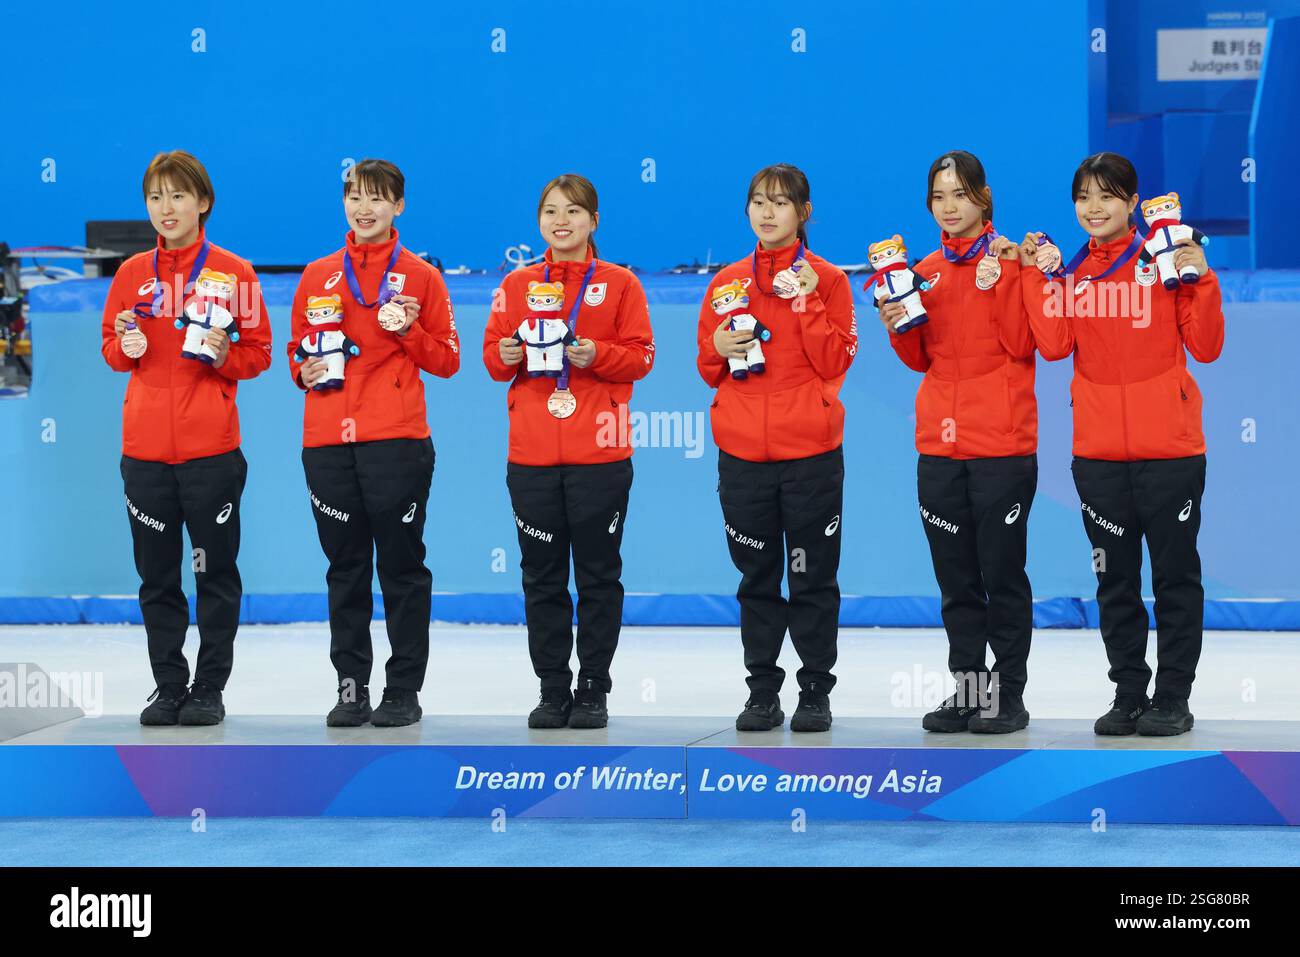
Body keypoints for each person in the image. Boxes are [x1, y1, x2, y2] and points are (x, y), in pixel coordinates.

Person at [1018, 151, 1224, 736]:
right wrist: (1037, 275)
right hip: (1100, 455)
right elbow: (1054, 345)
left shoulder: (1164, 260)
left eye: (1108, 196)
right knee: (1114, 579)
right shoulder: (1075, 272)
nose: (1094, 208)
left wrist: (1201, 276)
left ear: (1134, 203)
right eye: (1083, 197)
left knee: (1175, 578)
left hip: (1171, 450)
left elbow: (1206, 347)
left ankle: (1174, 698)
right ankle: (1129, 692)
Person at [101, 149, 272, 726]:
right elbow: (110, 348)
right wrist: (122, 347)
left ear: (203, 202)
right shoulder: (129, 275)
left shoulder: (236, 272)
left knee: (213, 574)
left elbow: (260, 353)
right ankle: (168, 683)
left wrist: (226, 358)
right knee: (156, 577)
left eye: (177, 195)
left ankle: (209, 687)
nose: (165, 208)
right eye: (155, 196)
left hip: (211, 455)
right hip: (144, 456)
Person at [289, 159, 460, 728]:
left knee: (402, 568)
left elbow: (448, 359)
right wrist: (303, 370)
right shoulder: (316, 275)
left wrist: (406, 330)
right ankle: (350, 685)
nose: (365, 209)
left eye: (378, 199)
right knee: (345, 568)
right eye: (355, 197)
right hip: (327, 443)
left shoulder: (423, 277)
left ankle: (403, 689)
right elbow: (297, 351)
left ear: (399, 206)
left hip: (397, 441)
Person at [482, 173, 655, 729]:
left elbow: (641, 358)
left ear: (593, 221)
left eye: (574, 212)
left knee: (599, 577)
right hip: (531, 455)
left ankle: (595, 688)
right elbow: (491, 360)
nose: (562, 221)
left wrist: (595, 354)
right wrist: (508, 351)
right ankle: (553, 687)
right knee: (542, 577)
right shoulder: (517, 285)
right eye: (551, 212)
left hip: (599, 456)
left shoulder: (621, 283)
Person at [879, 150, 1037, 734]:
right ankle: (970, 690)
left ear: (985, 197)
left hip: (1001, 444)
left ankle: (1009, 695)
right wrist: (896, 324)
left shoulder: (1013, 261)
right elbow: (920, 358)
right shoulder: (922, 273)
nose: (950, 207)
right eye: (939, 197)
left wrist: (1008, 276)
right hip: (939, 450)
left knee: (1003, 576)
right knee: (957, 582)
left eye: (961, 194)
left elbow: (1024, 345)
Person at [695, 163, 856, 733]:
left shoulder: (831, 280)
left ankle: (815, 691)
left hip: (809, 453)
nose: (767, 212)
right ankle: (762, 690)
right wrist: (716, 345)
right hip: (742, 456)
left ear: (804, 213)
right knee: (757, 577)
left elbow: (837, 360)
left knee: (812, 575)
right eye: (758, 201)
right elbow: (707, 367)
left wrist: (809, 302)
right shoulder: (726, 281)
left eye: (781, 203)